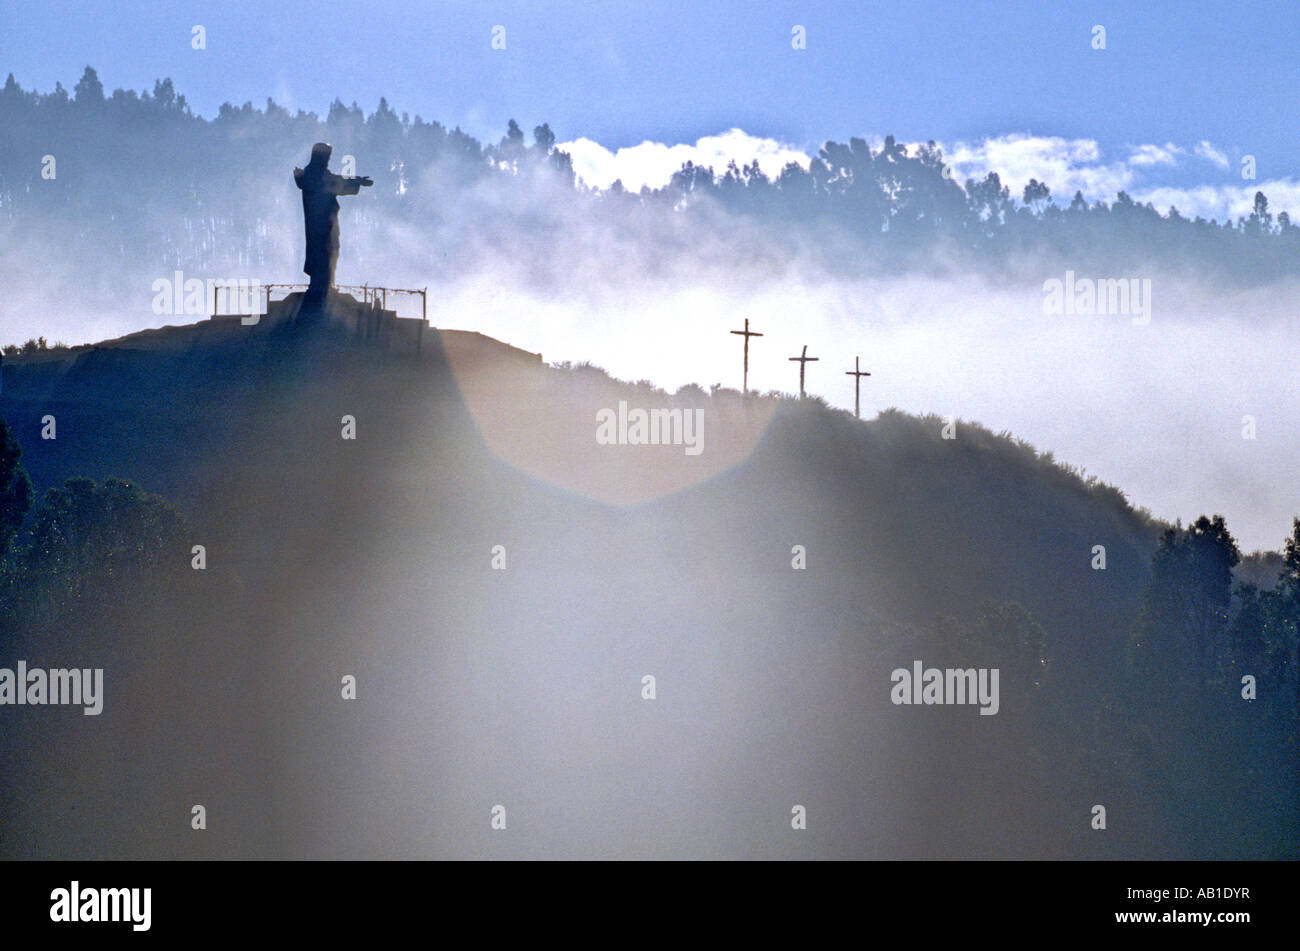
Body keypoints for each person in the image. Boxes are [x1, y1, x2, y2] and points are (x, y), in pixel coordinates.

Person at [293, 142, 372, 308]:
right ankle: (321, 285)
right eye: (326, 156)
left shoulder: (316, 174)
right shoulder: (313, 175)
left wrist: (356, 180)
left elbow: (334, 180)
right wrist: (356, 181)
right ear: (319, 156)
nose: (328, 160)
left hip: (326, 221)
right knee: (324, 251)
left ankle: (327, 283)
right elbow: (332, 183)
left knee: (332, 250)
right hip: (320, 224)